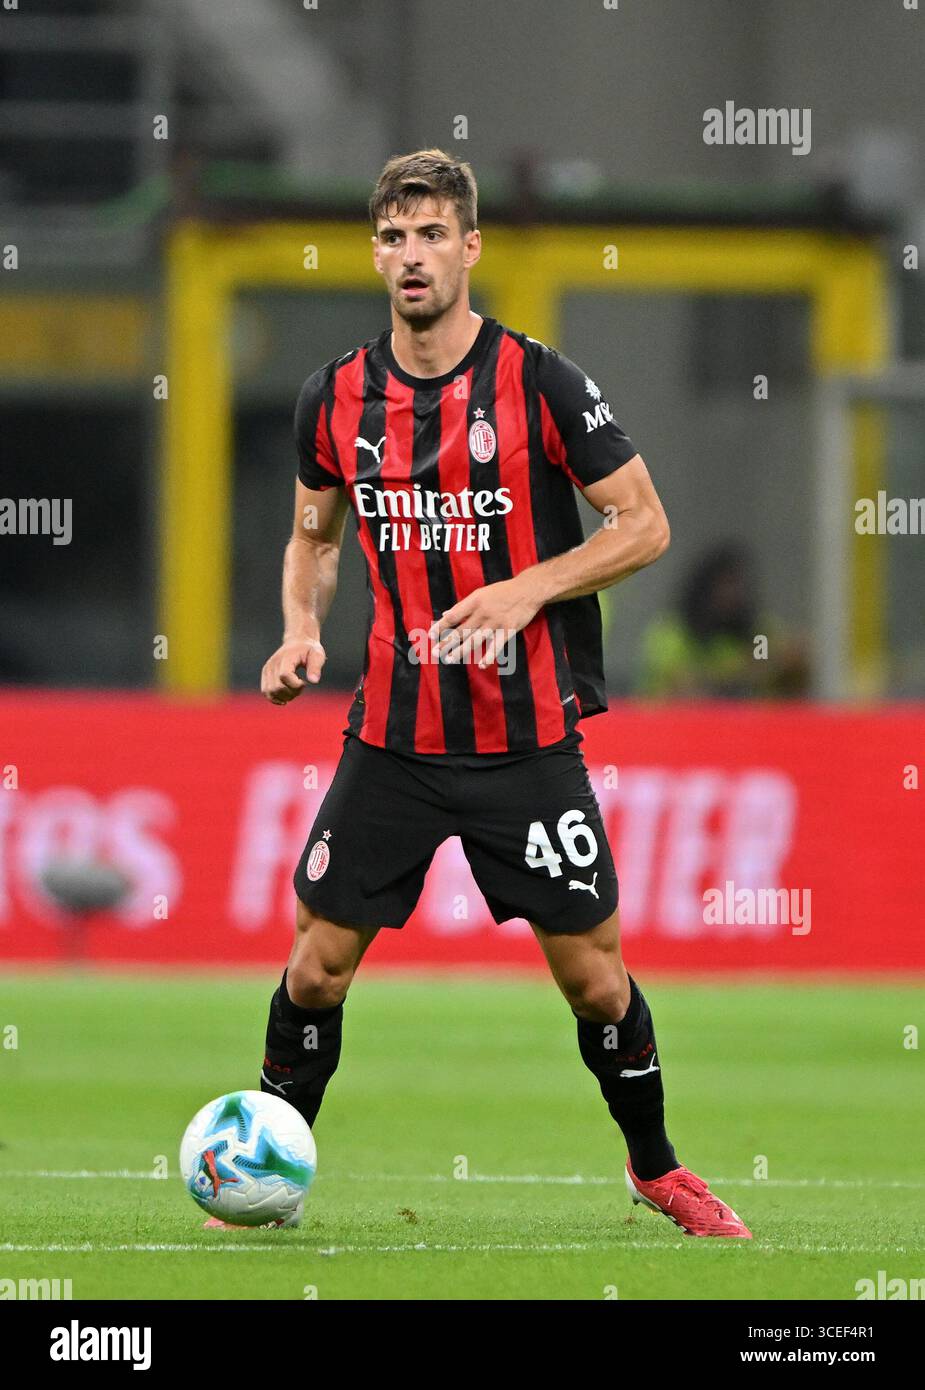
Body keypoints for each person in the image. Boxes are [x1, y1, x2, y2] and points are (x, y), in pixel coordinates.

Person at [249, 149, 750, 1238]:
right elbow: (313, 539)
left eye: (432, 235)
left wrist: (527, 588)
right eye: (394, 237)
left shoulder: (540, 383)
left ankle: (656, 1168)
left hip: (524, 742)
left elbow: (643, 524)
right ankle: (266, 1175)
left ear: (469, 248)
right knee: (315, 967)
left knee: (597, 983)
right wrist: (300, 630)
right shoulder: (333, 396)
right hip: (392, 738)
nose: (412, 256)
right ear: (374, 253)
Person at [638, 543, 809, 698]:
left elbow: (766, 663)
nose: (732, 594)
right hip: (681, 719)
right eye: (725, 585)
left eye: (738, 585)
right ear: (705, 589)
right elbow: (680, 687)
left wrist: (779, 663)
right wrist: (739, 673)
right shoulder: (672, 633)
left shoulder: (758, 631)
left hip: (748, 720)